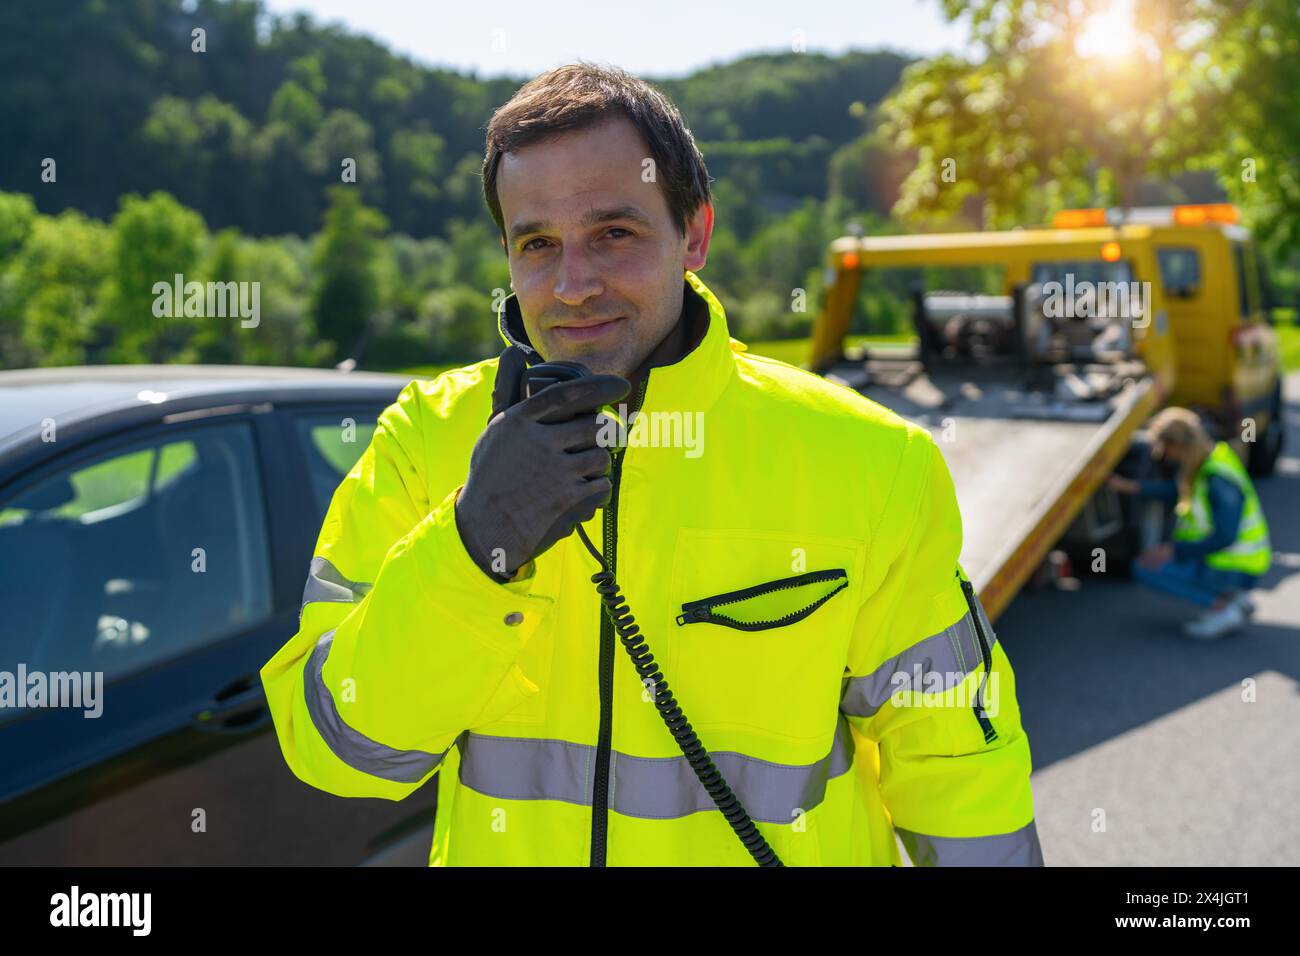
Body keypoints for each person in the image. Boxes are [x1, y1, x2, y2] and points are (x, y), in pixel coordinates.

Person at [260, 62, 1042, 866]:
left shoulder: (874, 462)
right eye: (538, 245)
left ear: (694, 234)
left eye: (614, 233)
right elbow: (342, 756)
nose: (572, 285)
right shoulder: (425, 442)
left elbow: (957, 764)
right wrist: (471, 548)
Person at [1108, 407, 1271, 639]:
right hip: (1238, 561)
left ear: (1177, 445)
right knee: (1158, 559)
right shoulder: (1212, 460)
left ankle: (1223, 606)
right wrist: (1130, 487)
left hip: (1234, 564)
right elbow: (1179, 491)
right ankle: (1235, 597)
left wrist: (1173, 549)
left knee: (1144, 567)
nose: (1163, 454)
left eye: (1165, 448)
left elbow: (1225, 536)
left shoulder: (1218, 480)